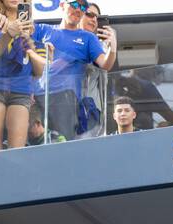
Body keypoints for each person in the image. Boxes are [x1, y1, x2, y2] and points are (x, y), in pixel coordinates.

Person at [35, 0, 115, 141]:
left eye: (83, 7)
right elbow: (19, 38)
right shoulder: (43, 30)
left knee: (63, 146)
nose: (78, 9)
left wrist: (112, 47)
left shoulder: (88, 37)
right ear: (61, 5)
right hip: (38, 97)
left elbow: (105, 64)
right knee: (36, 144)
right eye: (74, 4)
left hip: (66, 101)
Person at [0, 0, 50, 150]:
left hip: (21, 91)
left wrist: (29, 43)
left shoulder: (36, 29)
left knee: (16, 150)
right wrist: (9, 34)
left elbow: (39, 71)